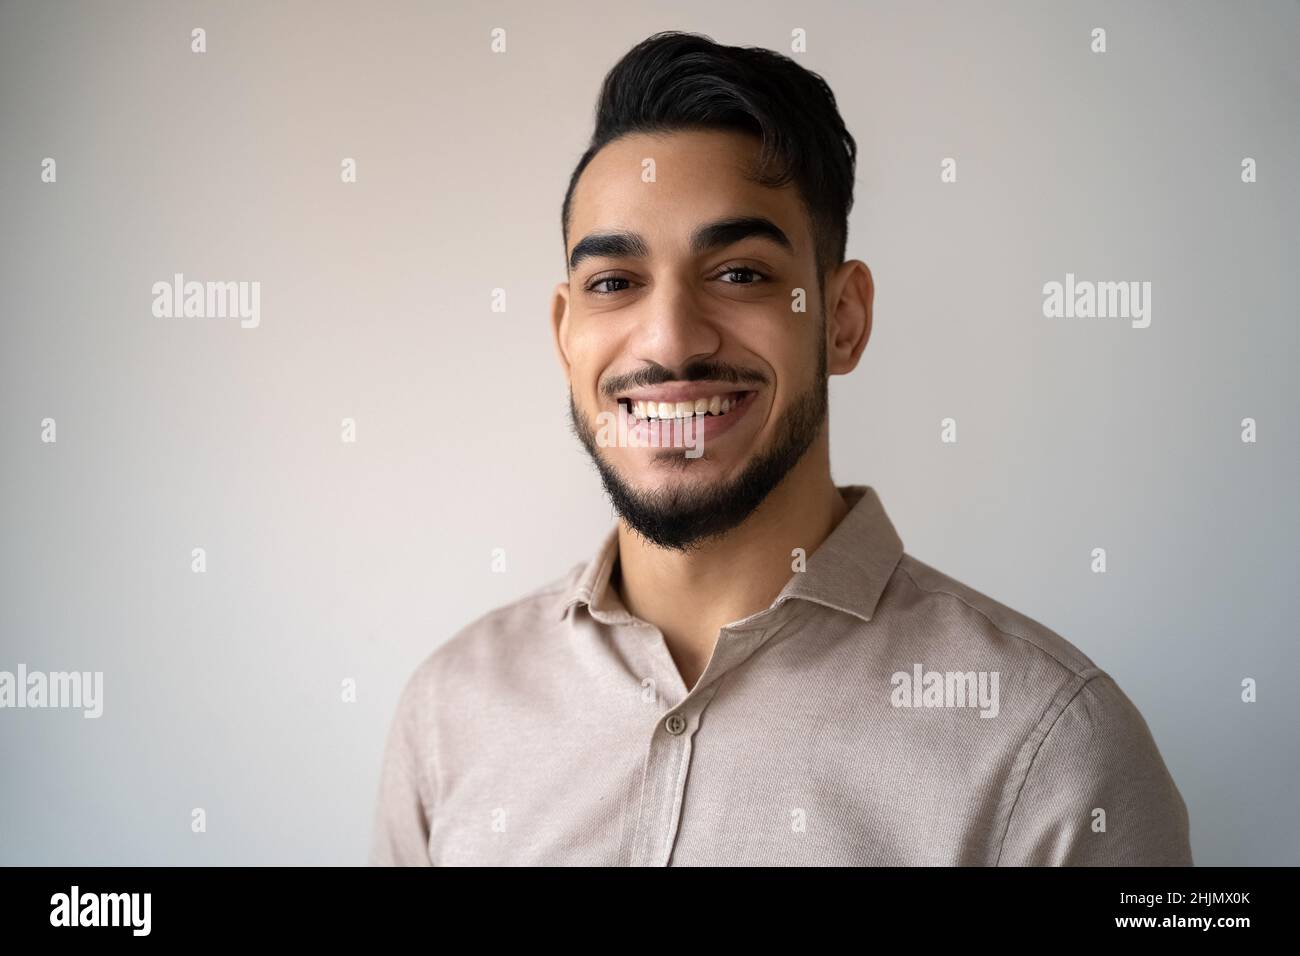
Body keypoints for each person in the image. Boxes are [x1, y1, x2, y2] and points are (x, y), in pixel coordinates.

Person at [370, 30, 1192, 866]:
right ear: (565, 332)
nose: (670, 343)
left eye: (740, 274)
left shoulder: (1051, 753)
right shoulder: (449, 712)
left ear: (843, 319)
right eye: (614, 284)